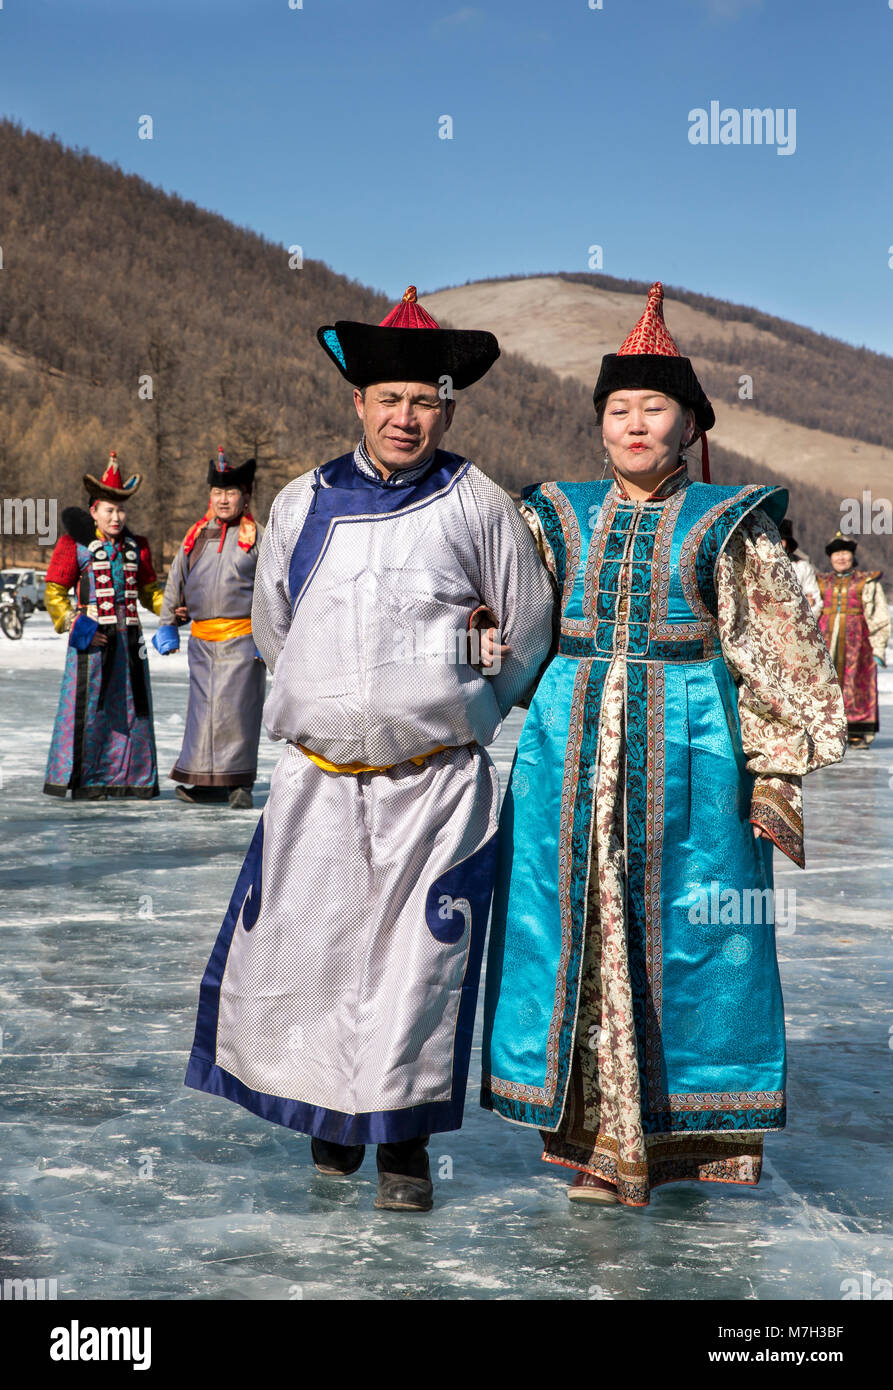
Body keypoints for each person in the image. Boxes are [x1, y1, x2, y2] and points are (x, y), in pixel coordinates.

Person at [184, 286, 554, 1212]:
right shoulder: (303, 502)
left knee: (414, 972)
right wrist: (335, 707)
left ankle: (402, 1150)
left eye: (423, 399)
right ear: (357, 402)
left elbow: (528, 629)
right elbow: (275, 627)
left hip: (433, 786)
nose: (404, 416)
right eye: (388, 398)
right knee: (315, 959)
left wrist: (457, 712)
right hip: (319, 780)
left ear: (447, 406)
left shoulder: (479, 504)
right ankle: (327, 1128)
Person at [481, 283, 847, 1207]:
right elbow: (506, 618)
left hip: (690, 761)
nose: (634, 424)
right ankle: (593, 1142)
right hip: (564, 761)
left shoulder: (730, 524)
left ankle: (672, 1143)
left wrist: (774, 768)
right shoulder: (550, 514)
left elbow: (775, 647)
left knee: (691, 939)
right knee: (572, 934)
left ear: (689, 424)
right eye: (618, 409)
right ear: (599, 424)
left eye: (653, 407)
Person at [43, 452, 164, 799]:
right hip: (91, 642)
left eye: (121, 510)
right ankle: (87, 779)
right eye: (109, 510)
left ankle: (130, 778)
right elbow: (55, 591)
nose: (117, 516)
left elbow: (148, 590)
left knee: (131, 711)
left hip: (130, 644)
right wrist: (77, 626)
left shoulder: (136, 547)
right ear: (93, 511)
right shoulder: (73, 545)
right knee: (90, 711)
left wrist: (168, 609)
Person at [154, 449, 266, 809]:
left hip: (244, 641)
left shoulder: (258, 537)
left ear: (244, 496)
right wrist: (168, 623)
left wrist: (270, 637)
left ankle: (238, 782)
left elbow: (276, 589)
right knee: (202, 713)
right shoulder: (195, 536)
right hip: (202, 641)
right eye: (217, 493)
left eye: (230, 492)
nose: (222, 499)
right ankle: (201, 780)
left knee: (238, 713)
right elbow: (177, 580)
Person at [817, 533, 890, 748]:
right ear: (830, 558)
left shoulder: (866, 582)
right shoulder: (820, 582)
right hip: (826, 641)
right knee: (826, 684)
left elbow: (879, 616)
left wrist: (878, 647)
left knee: (856, 685)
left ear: (852, 556)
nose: (841, 558)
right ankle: (826, 730)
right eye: (836, 554)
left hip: (859, 645)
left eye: (845, 553)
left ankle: (857, 733)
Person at [779, 518, 822, 620]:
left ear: (787, 543)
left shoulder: (803, 567)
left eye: (780, 539)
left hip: (796, 622)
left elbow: (814, 601)